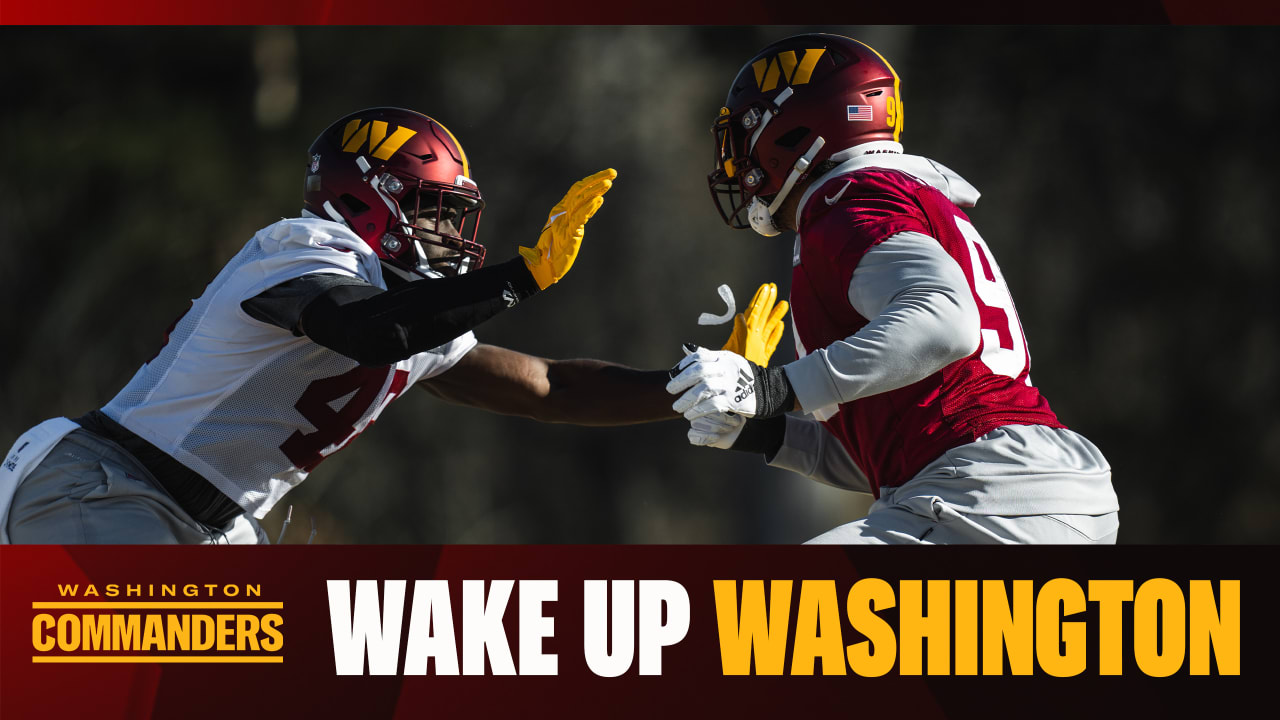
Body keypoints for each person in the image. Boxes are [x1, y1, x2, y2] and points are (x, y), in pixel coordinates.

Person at [0, 106, 783, 544]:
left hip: (206, 527)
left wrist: (694, 384)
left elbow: (549, 388)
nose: (449, 235)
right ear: (364, 199)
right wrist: (518, 278)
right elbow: (364, 331)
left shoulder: (416, 312)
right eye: (434, 211)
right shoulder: (299, 247)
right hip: (110, 487)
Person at [667, 34, 1119, 544]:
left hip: (987, 492)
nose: (734, 163)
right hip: (1023, 490)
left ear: (795, 132)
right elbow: (890, 453)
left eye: (745, 135)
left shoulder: (849, 200)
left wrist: (776, 388)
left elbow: (945, 324)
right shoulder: (888, 198)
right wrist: (766, 427)